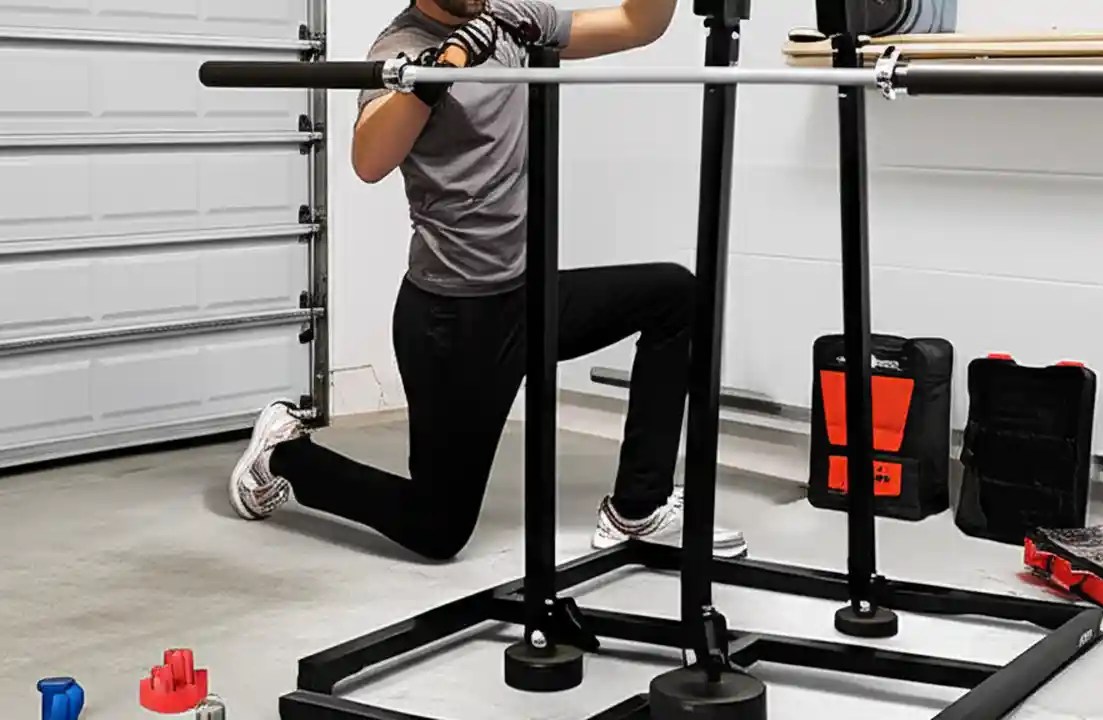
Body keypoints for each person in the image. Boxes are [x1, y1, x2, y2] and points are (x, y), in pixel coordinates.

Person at [227, 0, 748, 561]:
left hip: (526, 296)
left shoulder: (511, 20)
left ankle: (637, 509)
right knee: (438, 528)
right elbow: (368, 159)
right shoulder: (399, 50)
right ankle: (282, 454)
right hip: (453, 321)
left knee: (673, 296)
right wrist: (435, 74)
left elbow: (638, 24)